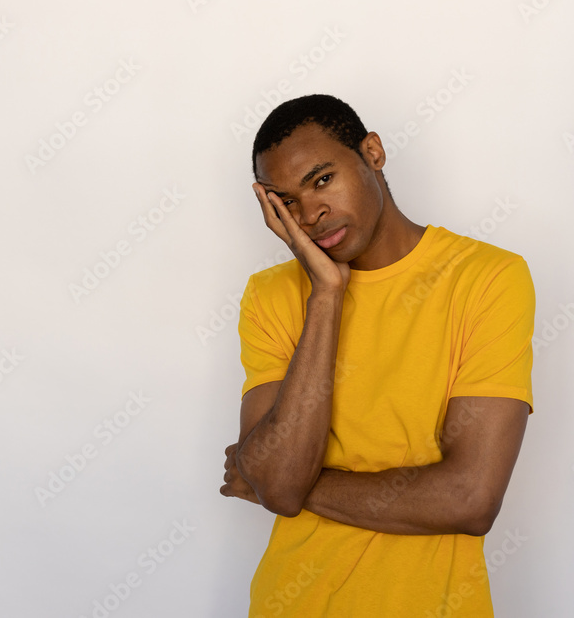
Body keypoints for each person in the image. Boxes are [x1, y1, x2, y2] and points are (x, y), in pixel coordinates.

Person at [220, 94, 535, 617]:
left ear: (373, 152)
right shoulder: (271, 295)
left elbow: (470, 499)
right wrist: (326, 295)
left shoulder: (488, 279)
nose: (311, 214)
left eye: (323, 180)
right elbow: (275, 481)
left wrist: (287, 484)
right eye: (287, 202)